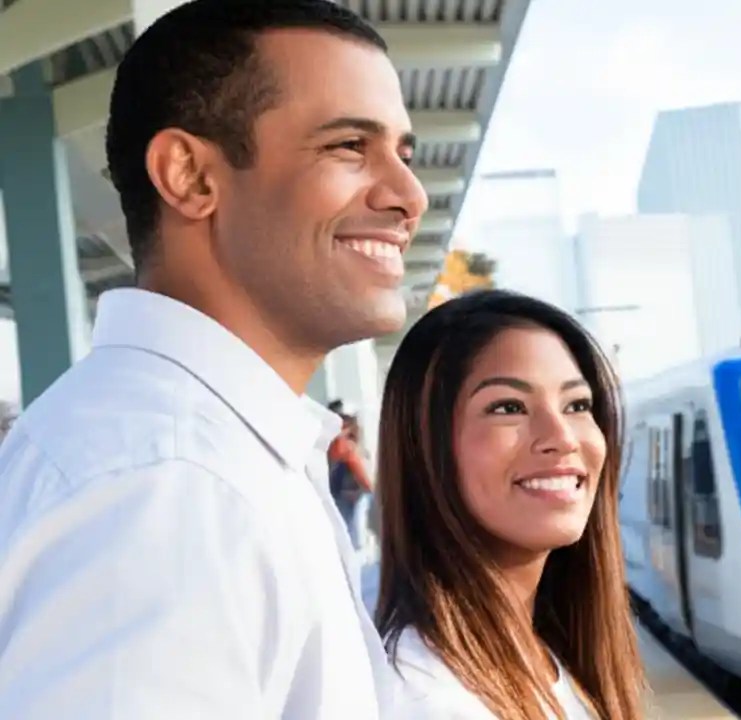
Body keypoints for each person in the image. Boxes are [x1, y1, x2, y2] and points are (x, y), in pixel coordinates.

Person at [0, 1, 426, 718]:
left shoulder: (205, 457)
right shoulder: (168, 488)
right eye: (349, 146)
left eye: (404, 154)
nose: (408, 195)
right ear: (190, 177)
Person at [375, 290, 646, 720]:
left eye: (577, 405)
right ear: (426, 447)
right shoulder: (423, 695)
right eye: (508, 407)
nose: (562, 437)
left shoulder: (548, 658)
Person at [330, 412, 376, 551]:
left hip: (355, 498)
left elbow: (366, 482)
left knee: (355, 537)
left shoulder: (352, 449)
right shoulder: (341, 448)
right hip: (343, 498)